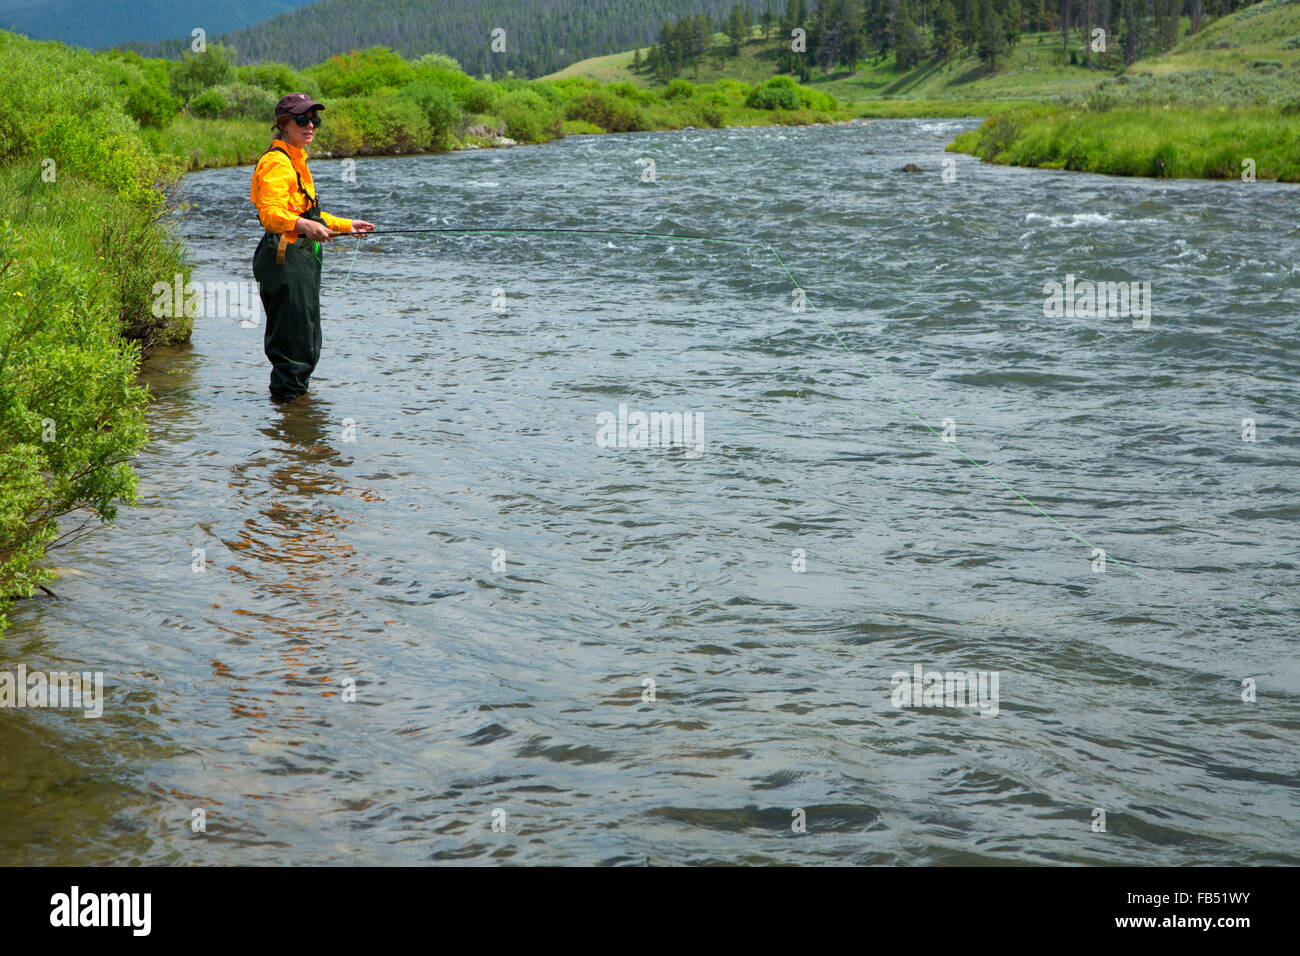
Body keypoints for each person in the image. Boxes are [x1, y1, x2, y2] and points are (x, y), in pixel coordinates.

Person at [250, 92, 374, 403]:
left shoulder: (296, 161)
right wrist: (305, 227)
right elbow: (271, 215)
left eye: (314, 120)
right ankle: (289, 417)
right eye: (302, 119)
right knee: (292, 343)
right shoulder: (277, 163)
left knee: (307, 339)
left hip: (301, 258)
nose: (311, 126)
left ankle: (293, 420)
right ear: (283, 124)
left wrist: (346, 225)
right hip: (284, 258)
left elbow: (308, 215)